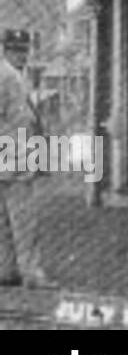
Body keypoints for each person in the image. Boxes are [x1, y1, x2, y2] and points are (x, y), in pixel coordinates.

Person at [0, 29, 54, 288]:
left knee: (4, 220)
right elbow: (21, 120)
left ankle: (6, 270)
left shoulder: (10, 74)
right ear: (5, 50)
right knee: (24, 218)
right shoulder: (10, 77)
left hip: (7, 151)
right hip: (14, 151)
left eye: (23, 50)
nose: (21, 55)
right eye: (16, 50)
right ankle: (31, 273)